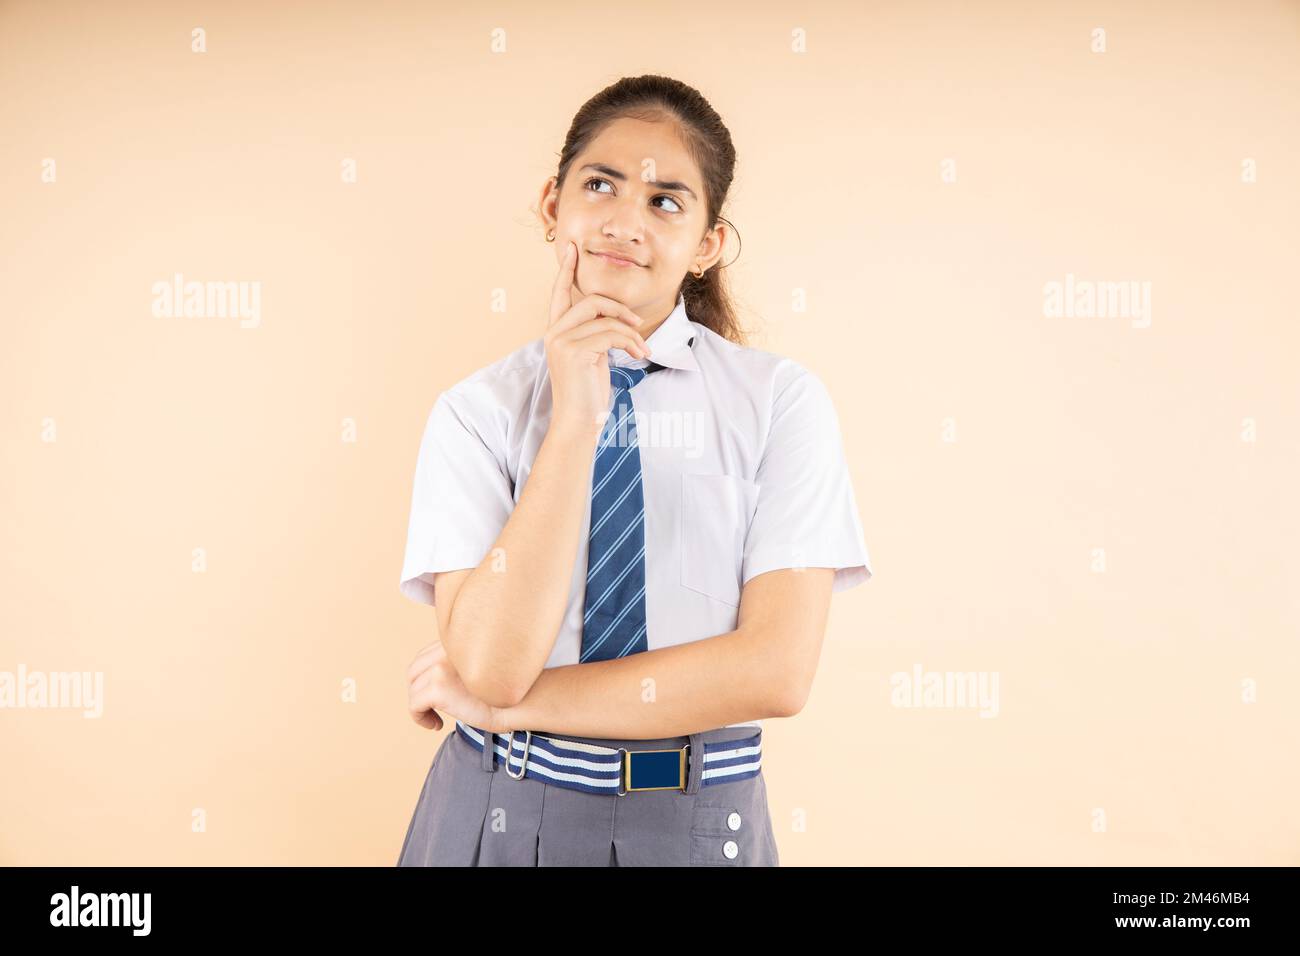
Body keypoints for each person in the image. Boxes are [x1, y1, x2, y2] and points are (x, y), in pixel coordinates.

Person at [396, 74, 873, 866]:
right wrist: (577, 419)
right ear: (554, 205)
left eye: (666, 200)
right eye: (600, 185)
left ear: (708, 244)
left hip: (698, 821)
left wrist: (509, 708)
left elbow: (776, 671)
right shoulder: (476, 413)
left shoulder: (779, 403)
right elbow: (490, 663)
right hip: (496, 815)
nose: (625, 221)